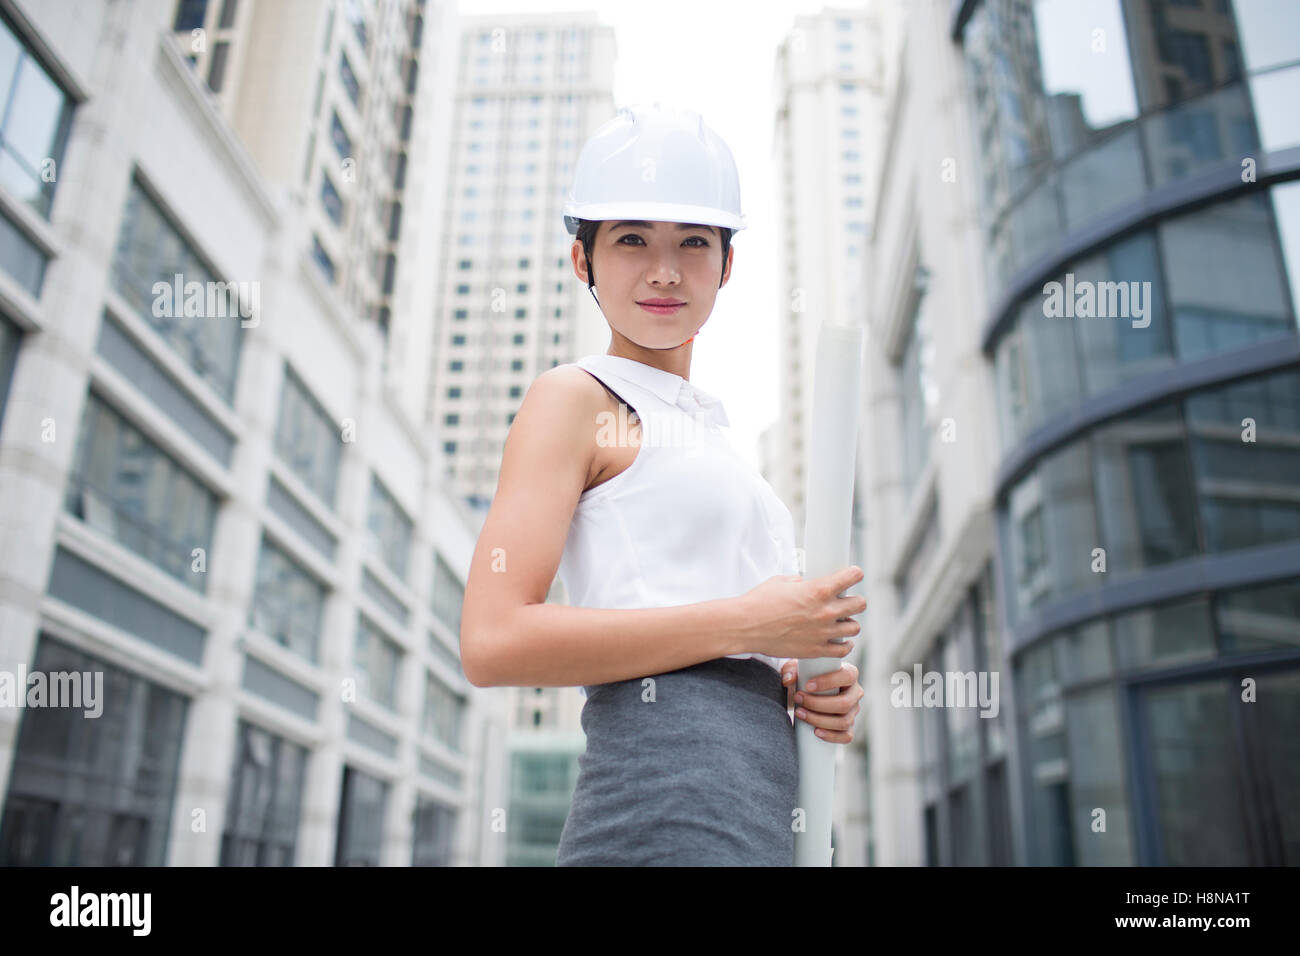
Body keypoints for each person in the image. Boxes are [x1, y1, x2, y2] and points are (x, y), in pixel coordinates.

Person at [459, 103, 866, 866]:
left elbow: (734, 625)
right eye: (632, 240)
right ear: (582, 261)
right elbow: (492, 640)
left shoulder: (716, 443)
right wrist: (750, 624)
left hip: (776, 814)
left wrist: (805, 680)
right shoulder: (575, 397)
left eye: (693, 243)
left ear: (727, 264)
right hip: (668, 813)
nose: (664, 270)